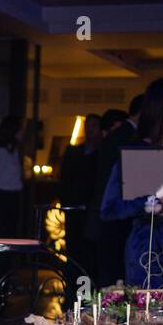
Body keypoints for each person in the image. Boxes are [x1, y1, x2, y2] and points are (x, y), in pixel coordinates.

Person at [100, 77, 163, 293]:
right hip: (146, 249)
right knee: (151, 317)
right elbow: (109, 209)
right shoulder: (137, 153)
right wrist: (157, 200)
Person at [84, 93, 143, 286]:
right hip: (115, 220)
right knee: (113, 278)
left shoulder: (121, 135)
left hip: (111, 219)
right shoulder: (127, 138)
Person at [59, 113, 102, 282]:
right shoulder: (73, 151)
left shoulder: (102, 153)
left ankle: (86, 290)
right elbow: (64, 179)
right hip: (74, 209)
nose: (89, 130)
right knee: (73, 249)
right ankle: (72, 288)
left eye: (93, 126)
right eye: (88, 126)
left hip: (92, 209)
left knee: (89, 251)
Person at [0, 115, 24, 243]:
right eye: (20, 130)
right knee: (2, 234)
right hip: (3, 198)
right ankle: (0, 262)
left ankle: (4, 261)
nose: (22, 133)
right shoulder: (1, 151)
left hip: (10, 197)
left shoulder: (12, 150)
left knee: (7, 235)